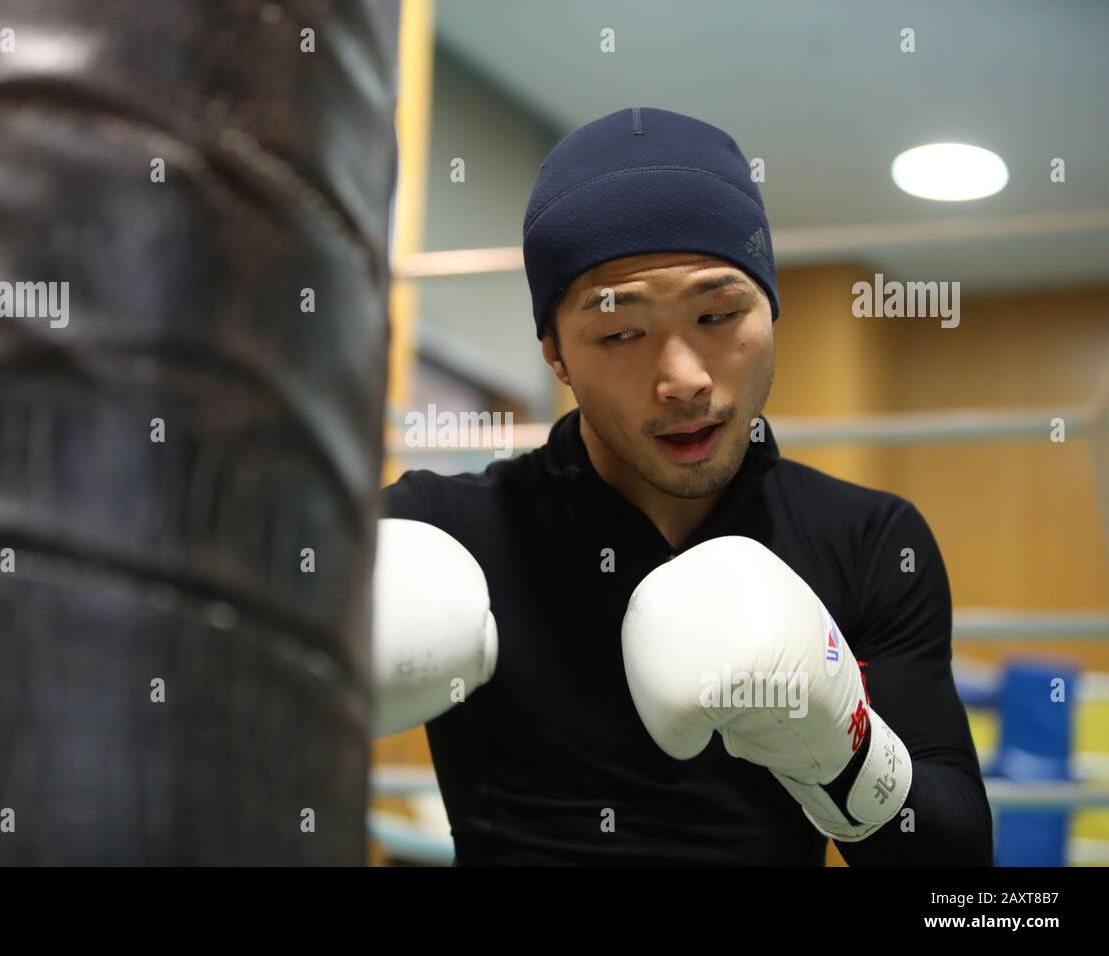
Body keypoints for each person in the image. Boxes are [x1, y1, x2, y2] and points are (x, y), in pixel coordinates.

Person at [375, 107, 992, 865]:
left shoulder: (868, 541)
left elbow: (959, 872)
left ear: (772, 308)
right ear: (557, 355)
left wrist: (845, 749)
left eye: (718, 313)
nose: (684, 379)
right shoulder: (447, 531)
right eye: (620, 332)